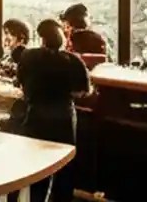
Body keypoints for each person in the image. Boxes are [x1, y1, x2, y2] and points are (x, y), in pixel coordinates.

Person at [17, 19, 91, 202]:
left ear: (41, 38)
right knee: (64, 168)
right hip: (63, 118)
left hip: (36, 117)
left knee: (35, 170)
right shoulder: (73, 60)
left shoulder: (28, 57)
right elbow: (83, 91)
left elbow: (21, 83)